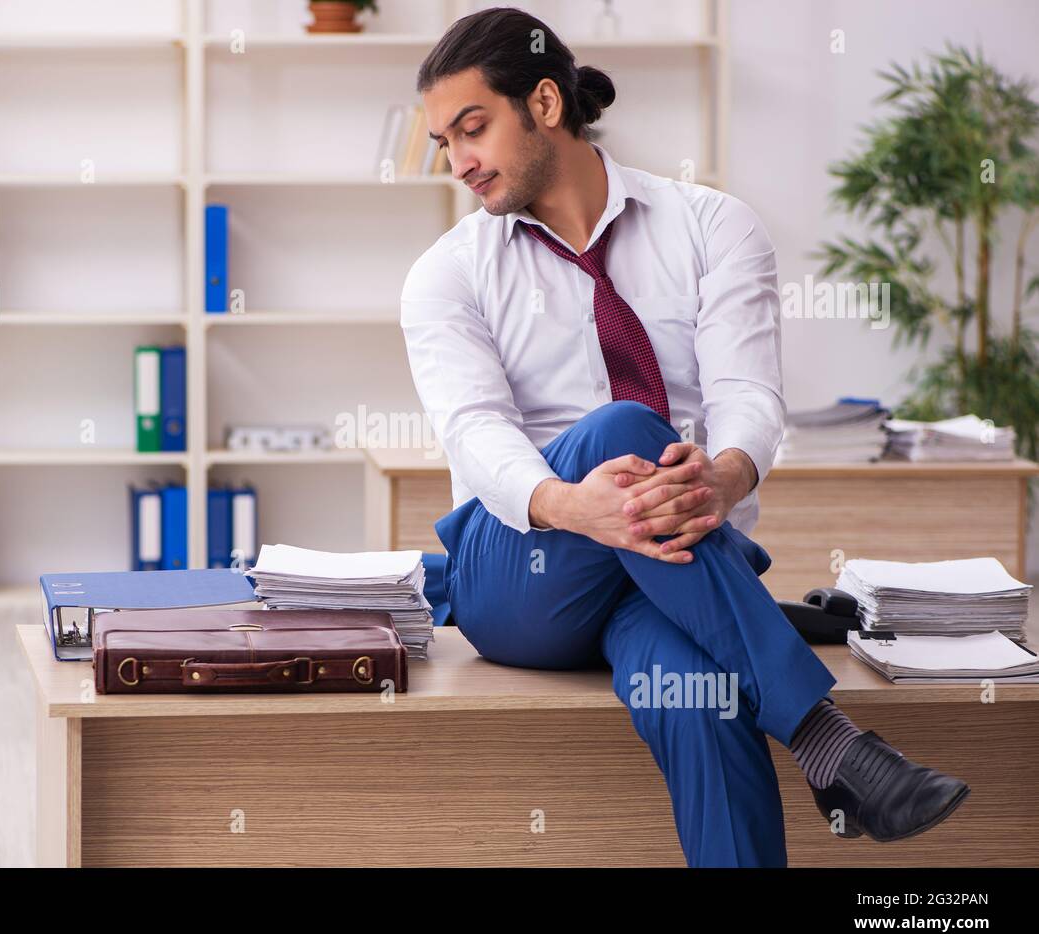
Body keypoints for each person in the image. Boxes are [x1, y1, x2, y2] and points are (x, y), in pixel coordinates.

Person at [400, 6, 969, 866]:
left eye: (472, 128)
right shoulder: (446, 274)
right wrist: (570, 505)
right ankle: (827, 737)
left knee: (700, 695)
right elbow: (476, 430)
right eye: (446, 142)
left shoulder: (714, 227)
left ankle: (823, 757)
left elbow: (749, 398)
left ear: (545, 102)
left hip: (667, 565)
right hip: (521, 569)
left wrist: (727, 477)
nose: (460, 162)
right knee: (628, 429)